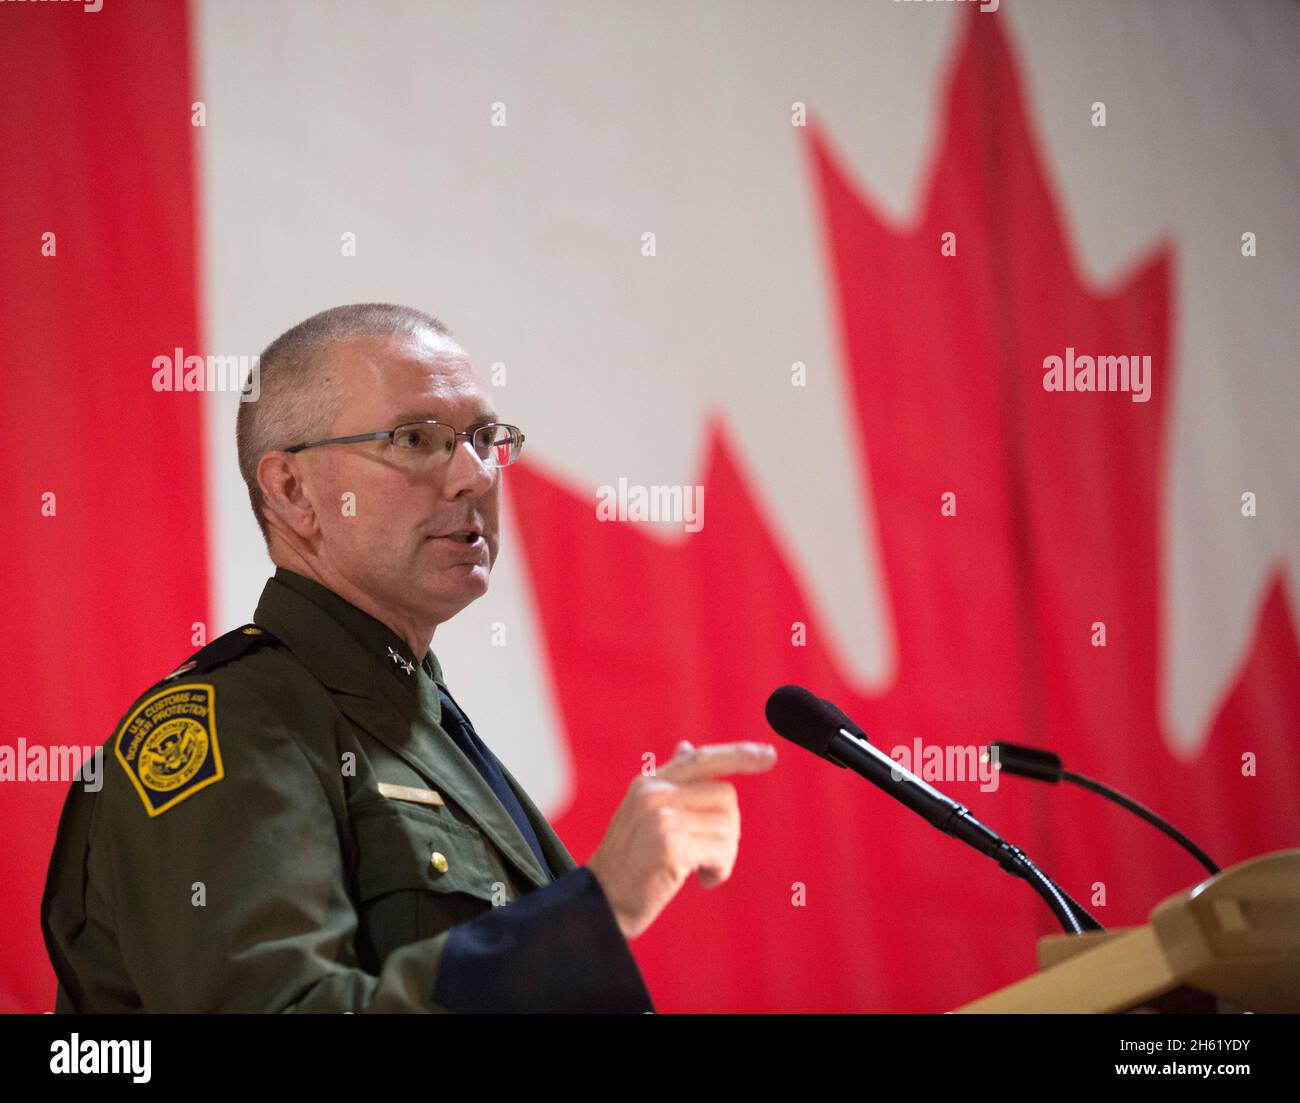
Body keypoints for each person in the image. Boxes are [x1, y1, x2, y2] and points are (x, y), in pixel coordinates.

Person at [40, 303, 777, 1012]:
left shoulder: (422, 721)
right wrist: (597, 907)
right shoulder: (234, 724)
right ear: (292, 489)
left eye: (485, 439)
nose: (475, 476)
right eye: (416, 439)